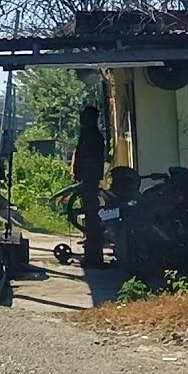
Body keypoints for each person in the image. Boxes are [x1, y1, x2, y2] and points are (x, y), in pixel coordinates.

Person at [72, 105, 107, 267]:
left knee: (92, 214)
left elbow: (87, 157)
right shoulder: (90, 134)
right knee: (90, 212)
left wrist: (82, 172)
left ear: (92, 118)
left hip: (89, 178)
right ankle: (92, 251)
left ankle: (93, 255)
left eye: (85, 116)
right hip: (89, 177)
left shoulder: (92, 135)